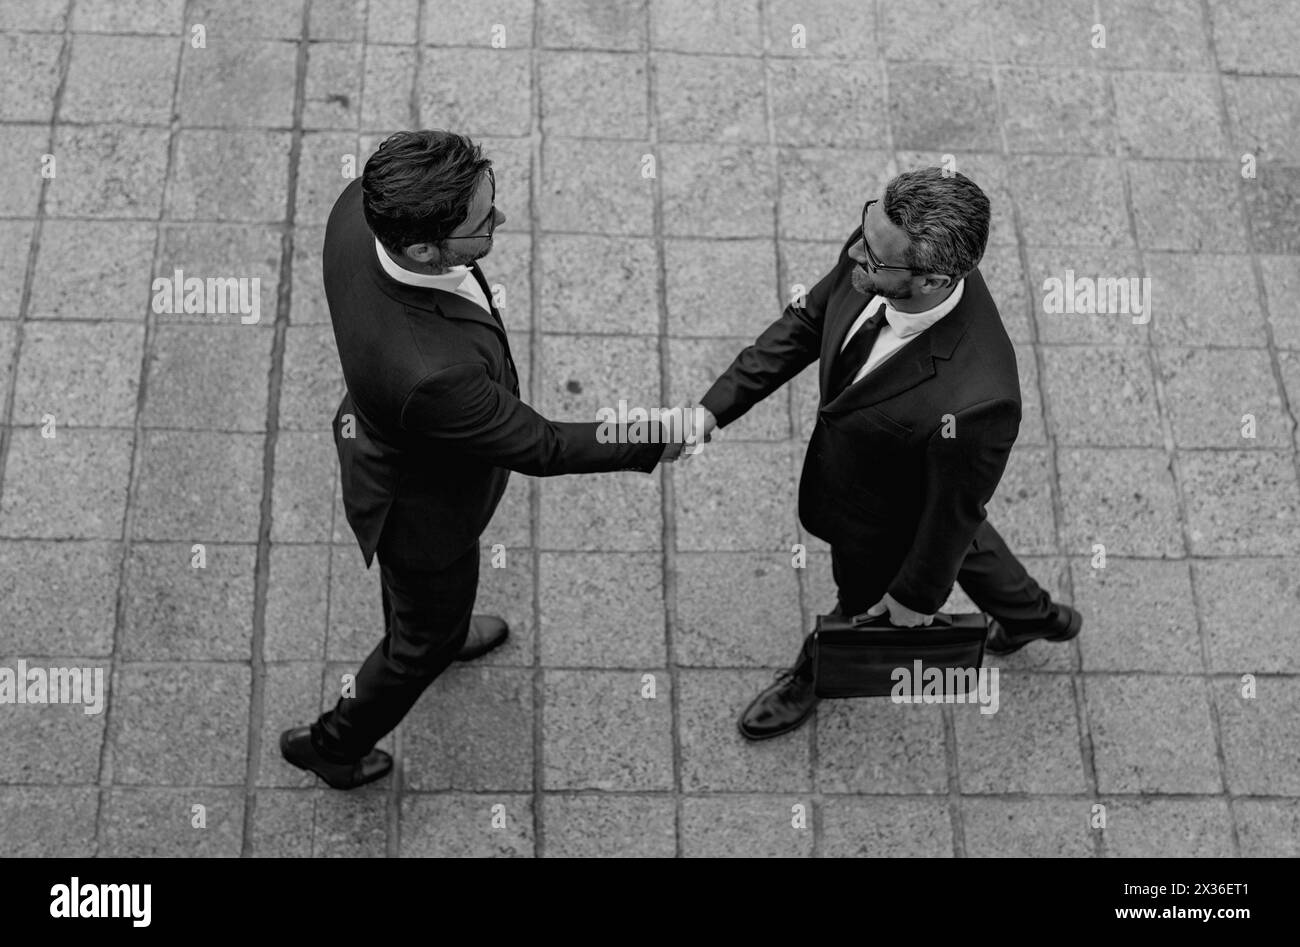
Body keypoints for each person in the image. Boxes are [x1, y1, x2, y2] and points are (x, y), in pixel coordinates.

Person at [281, 130, 685, 789]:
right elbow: (543, 445)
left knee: (425, 604)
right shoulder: (430, 372)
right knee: (418, 645)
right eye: (480, 223)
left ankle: (440, 620)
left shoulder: (362, 206)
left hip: (395, 443)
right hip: (422, 509)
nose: (497, 221)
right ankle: (333, 742)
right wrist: (652, 434)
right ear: (420, 247)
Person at [683, 167, 1082, 741]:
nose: (851, 253)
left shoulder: (980, 401)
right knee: (955, 529)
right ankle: (1035, 616)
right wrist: (712, 410)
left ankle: (812, 674)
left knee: (867, 599)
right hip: (917, 482)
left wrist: (915, 597)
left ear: (934, 279)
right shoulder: (883, 242)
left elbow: (953, 510)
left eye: (869, 256)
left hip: (875, 516)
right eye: (864, 232)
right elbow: (807, 320)